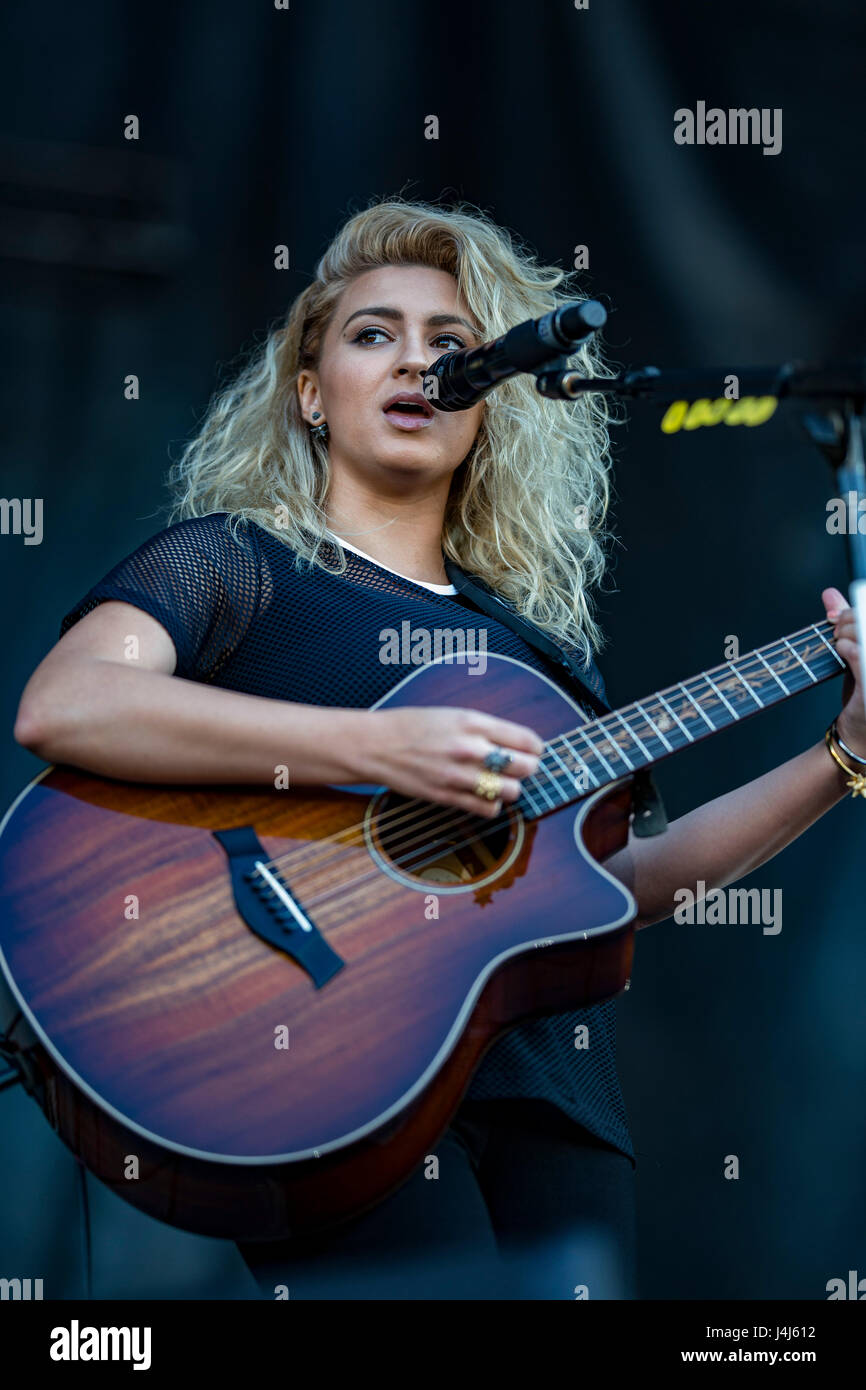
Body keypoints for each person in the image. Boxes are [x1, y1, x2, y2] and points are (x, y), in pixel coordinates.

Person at [14, 197, 865, 1301]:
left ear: (490, 401)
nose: (418, 362)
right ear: (309, 393)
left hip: (552, 1094)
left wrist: (840, 756)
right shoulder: (236, 563)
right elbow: (66, 704)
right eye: (374, 334)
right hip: (329, 1062)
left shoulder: (540, 666)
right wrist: (378, 746)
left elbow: (625, 886)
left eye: (453, 347)